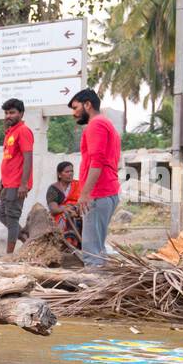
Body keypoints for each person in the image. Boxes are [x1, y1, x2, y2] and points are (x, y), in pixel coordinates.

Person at [70, 88, 122, 267]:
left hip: (98, 194)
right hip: (106, 192)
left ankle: (93, 288)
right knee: (98, 248)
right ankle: (101, 287)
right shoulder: (106, 124)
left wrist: (84, 194)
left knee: (91, 252)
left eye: (75, 108)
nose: (74, 113)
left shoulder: (96, 125)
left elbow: (97, 163)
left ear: (87, 105)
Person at [0, 98, 33, 254]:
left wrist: (23, 184)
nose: (8, 116)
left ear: (21, 113)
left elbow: (28, 158)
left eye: (12, 112)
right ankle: (26, 238)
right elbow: (8, 160)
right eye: (6, 113)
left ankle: (9, 255)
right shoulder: (10, 132)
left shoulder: (23, 131)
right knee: (2, 215)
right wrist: (1, 183)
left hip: (17, 184)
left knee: (11, 218)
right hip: (7, 183)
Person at [46, 161, 82, 250]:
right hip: (60, 215)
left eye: (72, 171)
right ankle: (63, 243)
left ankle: (80, 245)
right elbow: (53, 209)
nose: (70, 173)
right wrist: (65, 209)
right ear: (59, 174)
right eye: (67, 172)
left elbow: (84, 201)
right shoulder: (54, 189)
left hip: (78, 212)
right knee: (64, 216)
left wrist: (74, 207)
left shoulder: (79, 185)